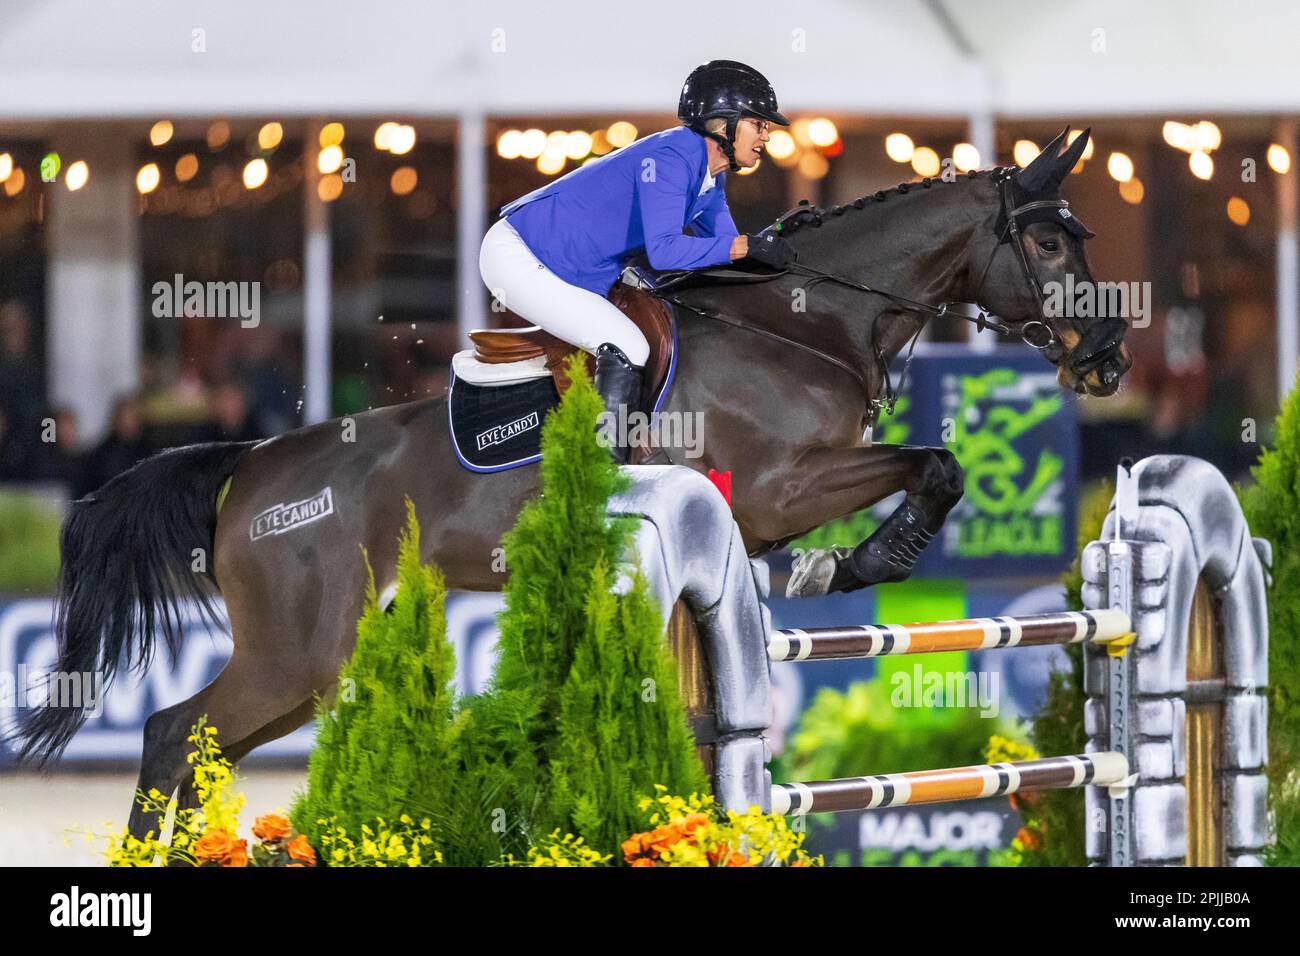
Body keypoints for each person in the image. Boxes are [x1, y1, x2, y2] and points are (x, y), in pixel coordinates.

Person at [480, 59, 798, 462]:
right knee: (627, 344)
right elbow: (666, 251)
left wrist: (776, 252)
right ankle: (604, 479)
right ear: (723, 124)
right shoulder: (672, 156)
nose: (766, 137)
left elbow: (726, 248)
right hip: (518, 255)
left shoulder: (711, 175)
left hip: (562, 264)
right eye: (760, 125)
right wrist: (746, 248)